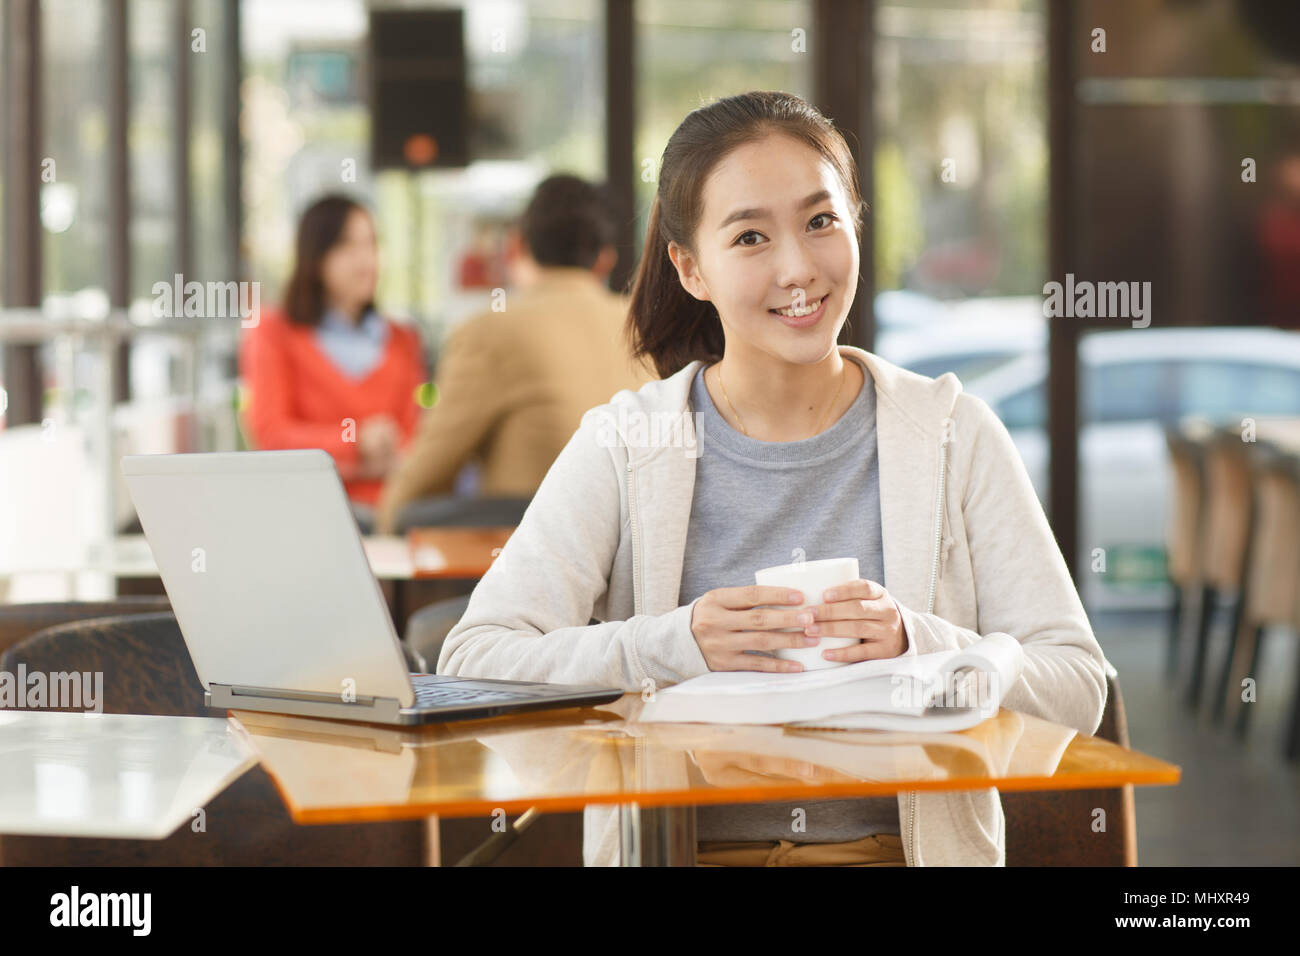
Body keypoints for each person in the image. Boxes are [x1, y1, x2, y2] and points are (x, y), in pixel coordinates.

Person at [433, 91, 1110, 867]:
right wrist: (674, 643)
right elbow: (477, 663)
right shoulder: (628, 442)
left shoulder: (954, 434)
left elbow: (1077, 685)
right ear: (691, 268)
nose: (798, 267)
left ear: (855, 222)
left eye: (822, 221)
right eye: (750, 236)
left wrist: (915, 644)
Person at [374, 174, 657, 533]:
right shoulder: (645, 324)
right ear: (605, 259)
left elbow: (431, 467)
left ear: (516, 246)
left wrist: (384, 529)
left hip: (528, 557)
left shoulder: (490, 332)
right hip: (634, 552)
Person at [239, 195, 426, 523]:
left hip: (394, 516)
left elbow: (413, 445)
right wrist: (357, 443)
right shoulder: (274, 332)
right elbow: (273, 437)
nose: (367, 261)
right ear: (316, 256)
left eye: (372, 244)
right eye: (348, 246)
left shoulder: (403, 339)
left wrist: (334, 456)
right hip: (308, 513)